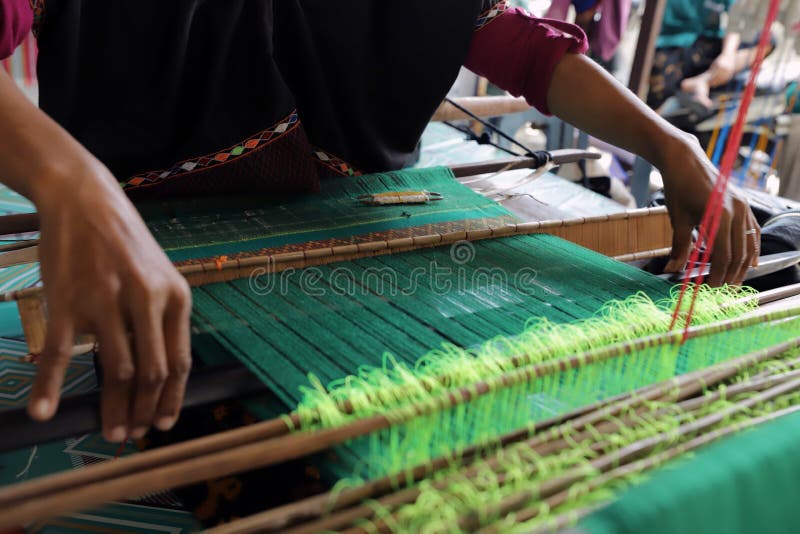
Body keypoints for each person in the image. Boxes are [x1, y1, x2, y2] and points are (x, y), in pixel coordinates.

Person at [0, 0, 759, 442]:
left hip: (362, 242)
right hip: (168, 252)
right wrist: (70, 179)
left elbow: (520, 47)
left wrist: (668, 140)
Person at [647, 0, 769, 111]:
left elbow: (735, 19)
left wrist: (728, 55)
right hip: (671, 45)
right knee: (653, 104)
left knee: (767, 41)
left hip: (706, 47)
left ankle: (703, 80)